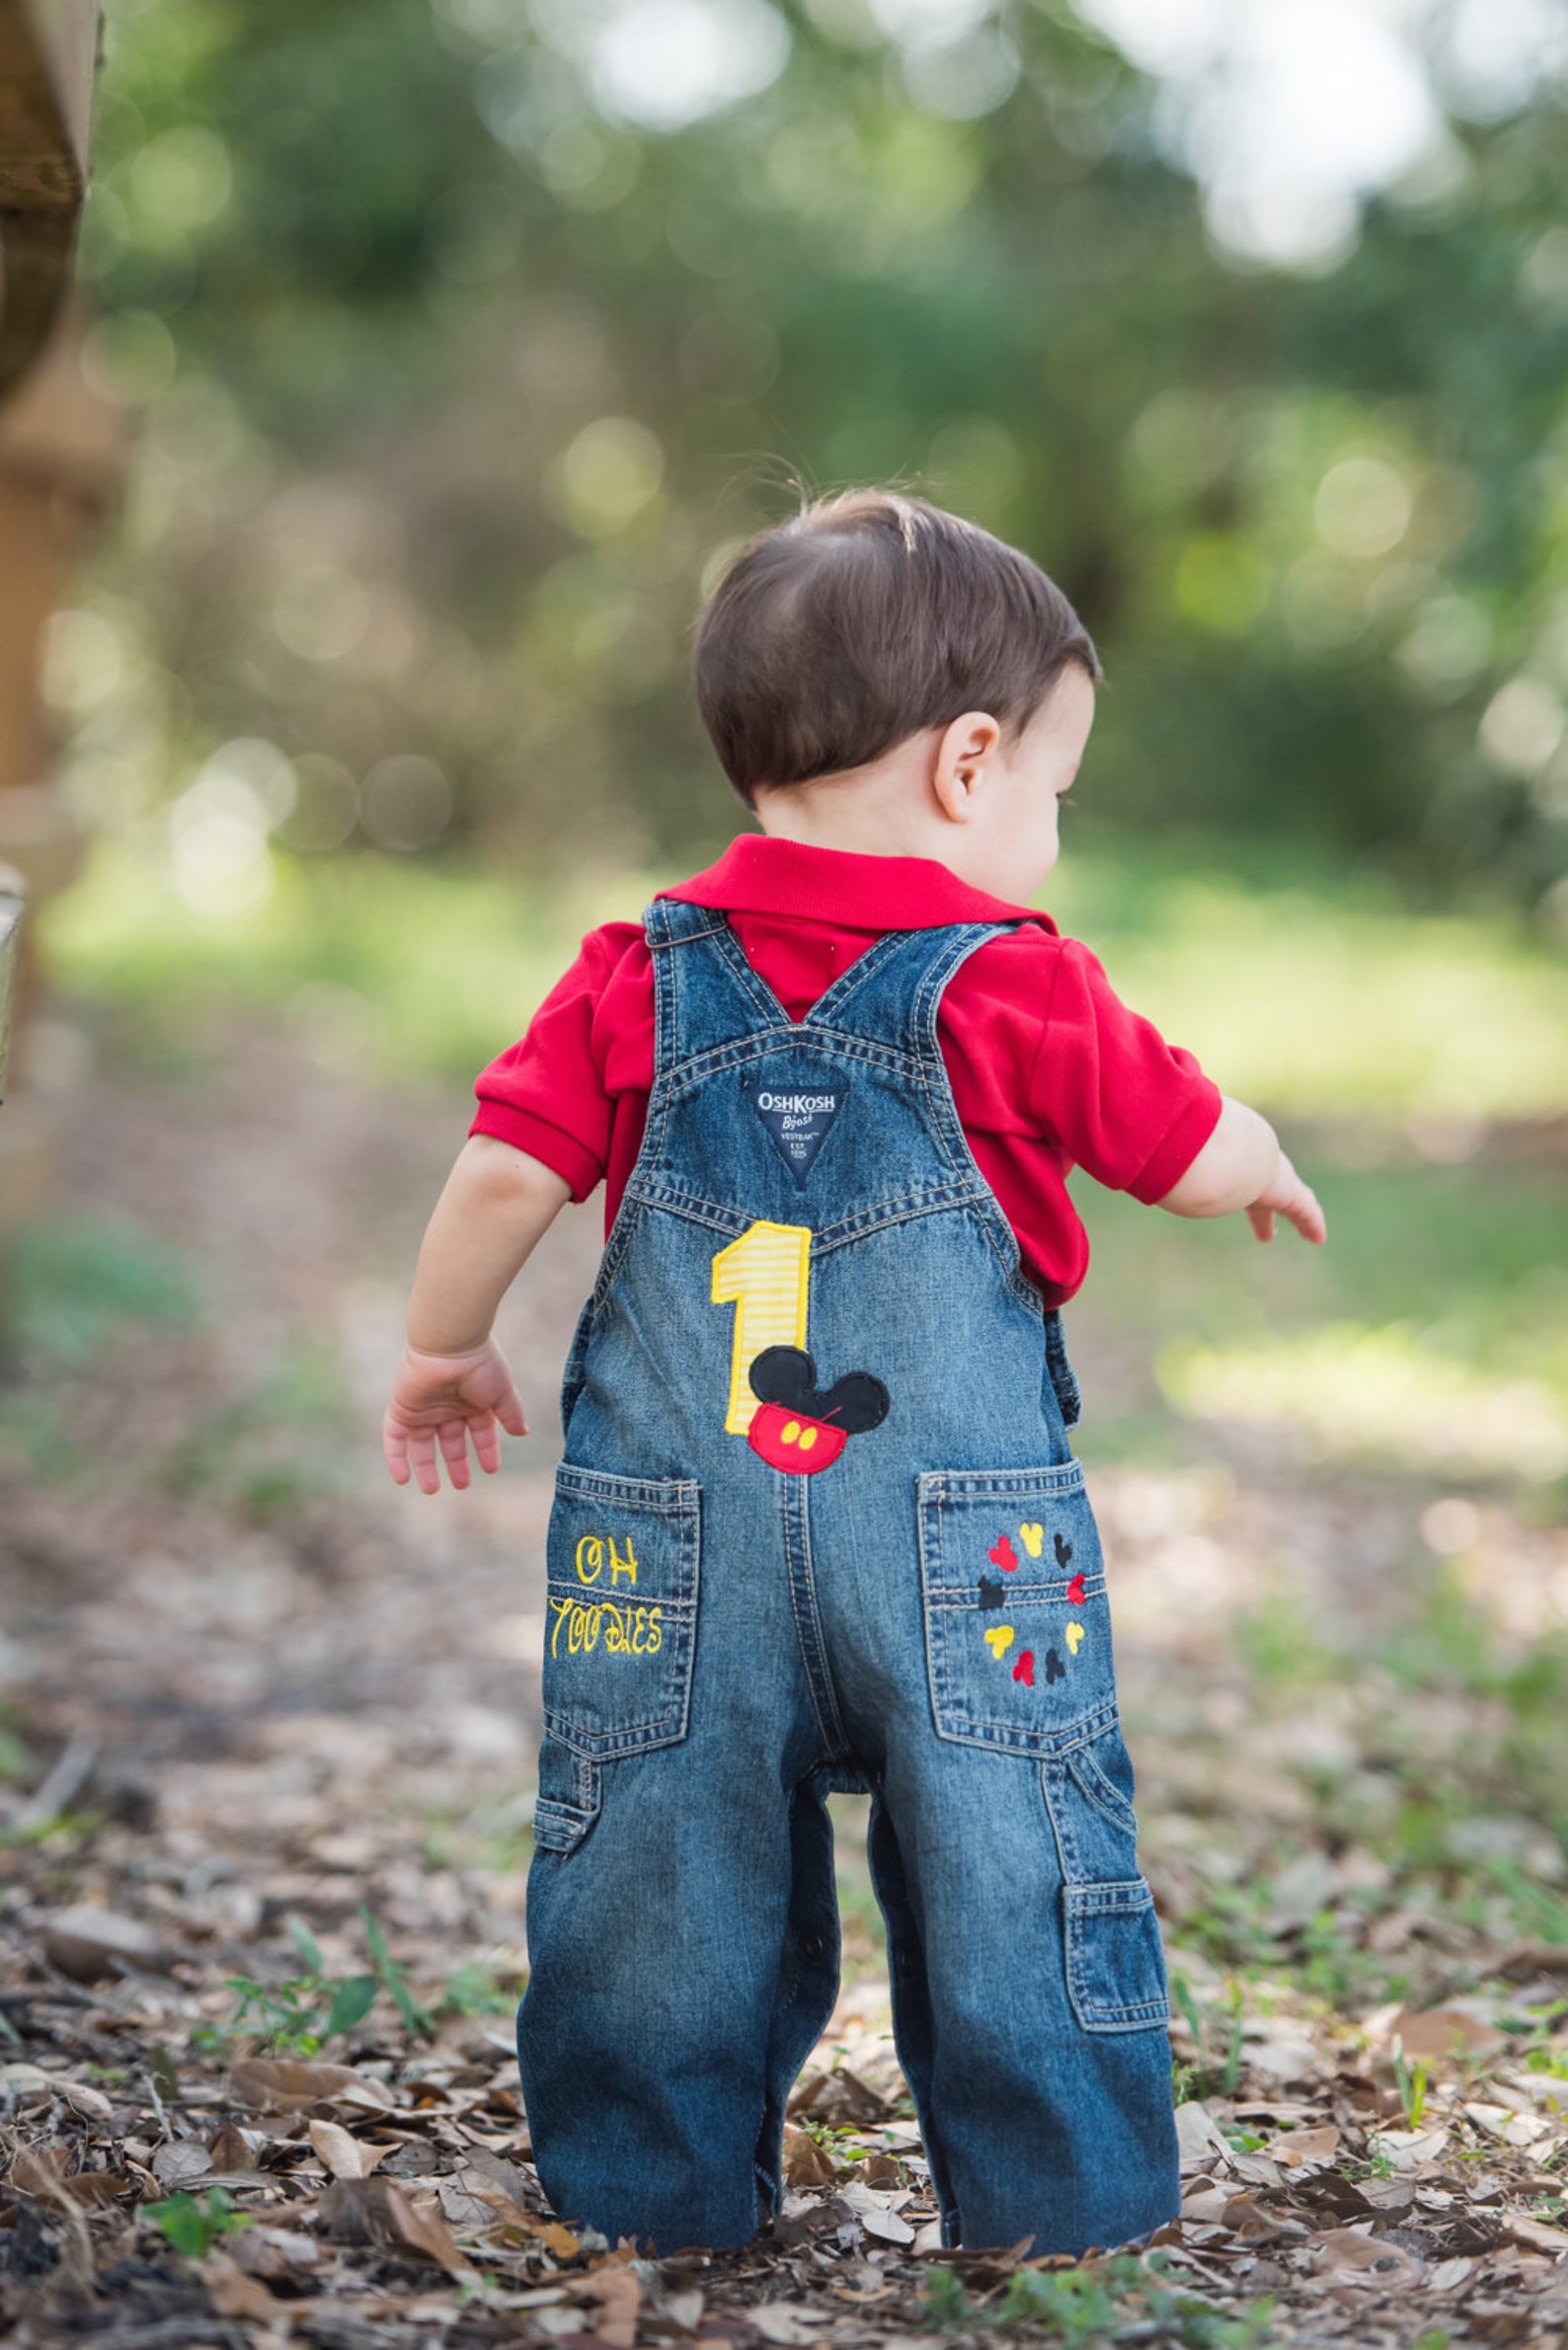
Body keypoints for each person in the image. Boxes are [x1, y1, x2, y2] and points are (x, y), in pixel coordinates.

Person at [381, 490, 1325, 2258]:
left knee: (653, 1860)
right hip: (966, 1564)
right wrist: (1263, 1162)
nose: (1051, 819)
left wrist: (447, 1348)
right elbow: (1186, 1139)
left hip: (677, 1546)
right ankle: (1059, 2214)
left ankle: (645, 2208)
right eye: (1057, 782)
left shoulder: (630, 977)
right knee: (1012, 1841)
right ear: (970, 765)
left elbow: (507, 1168)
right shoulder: (1017, 991)